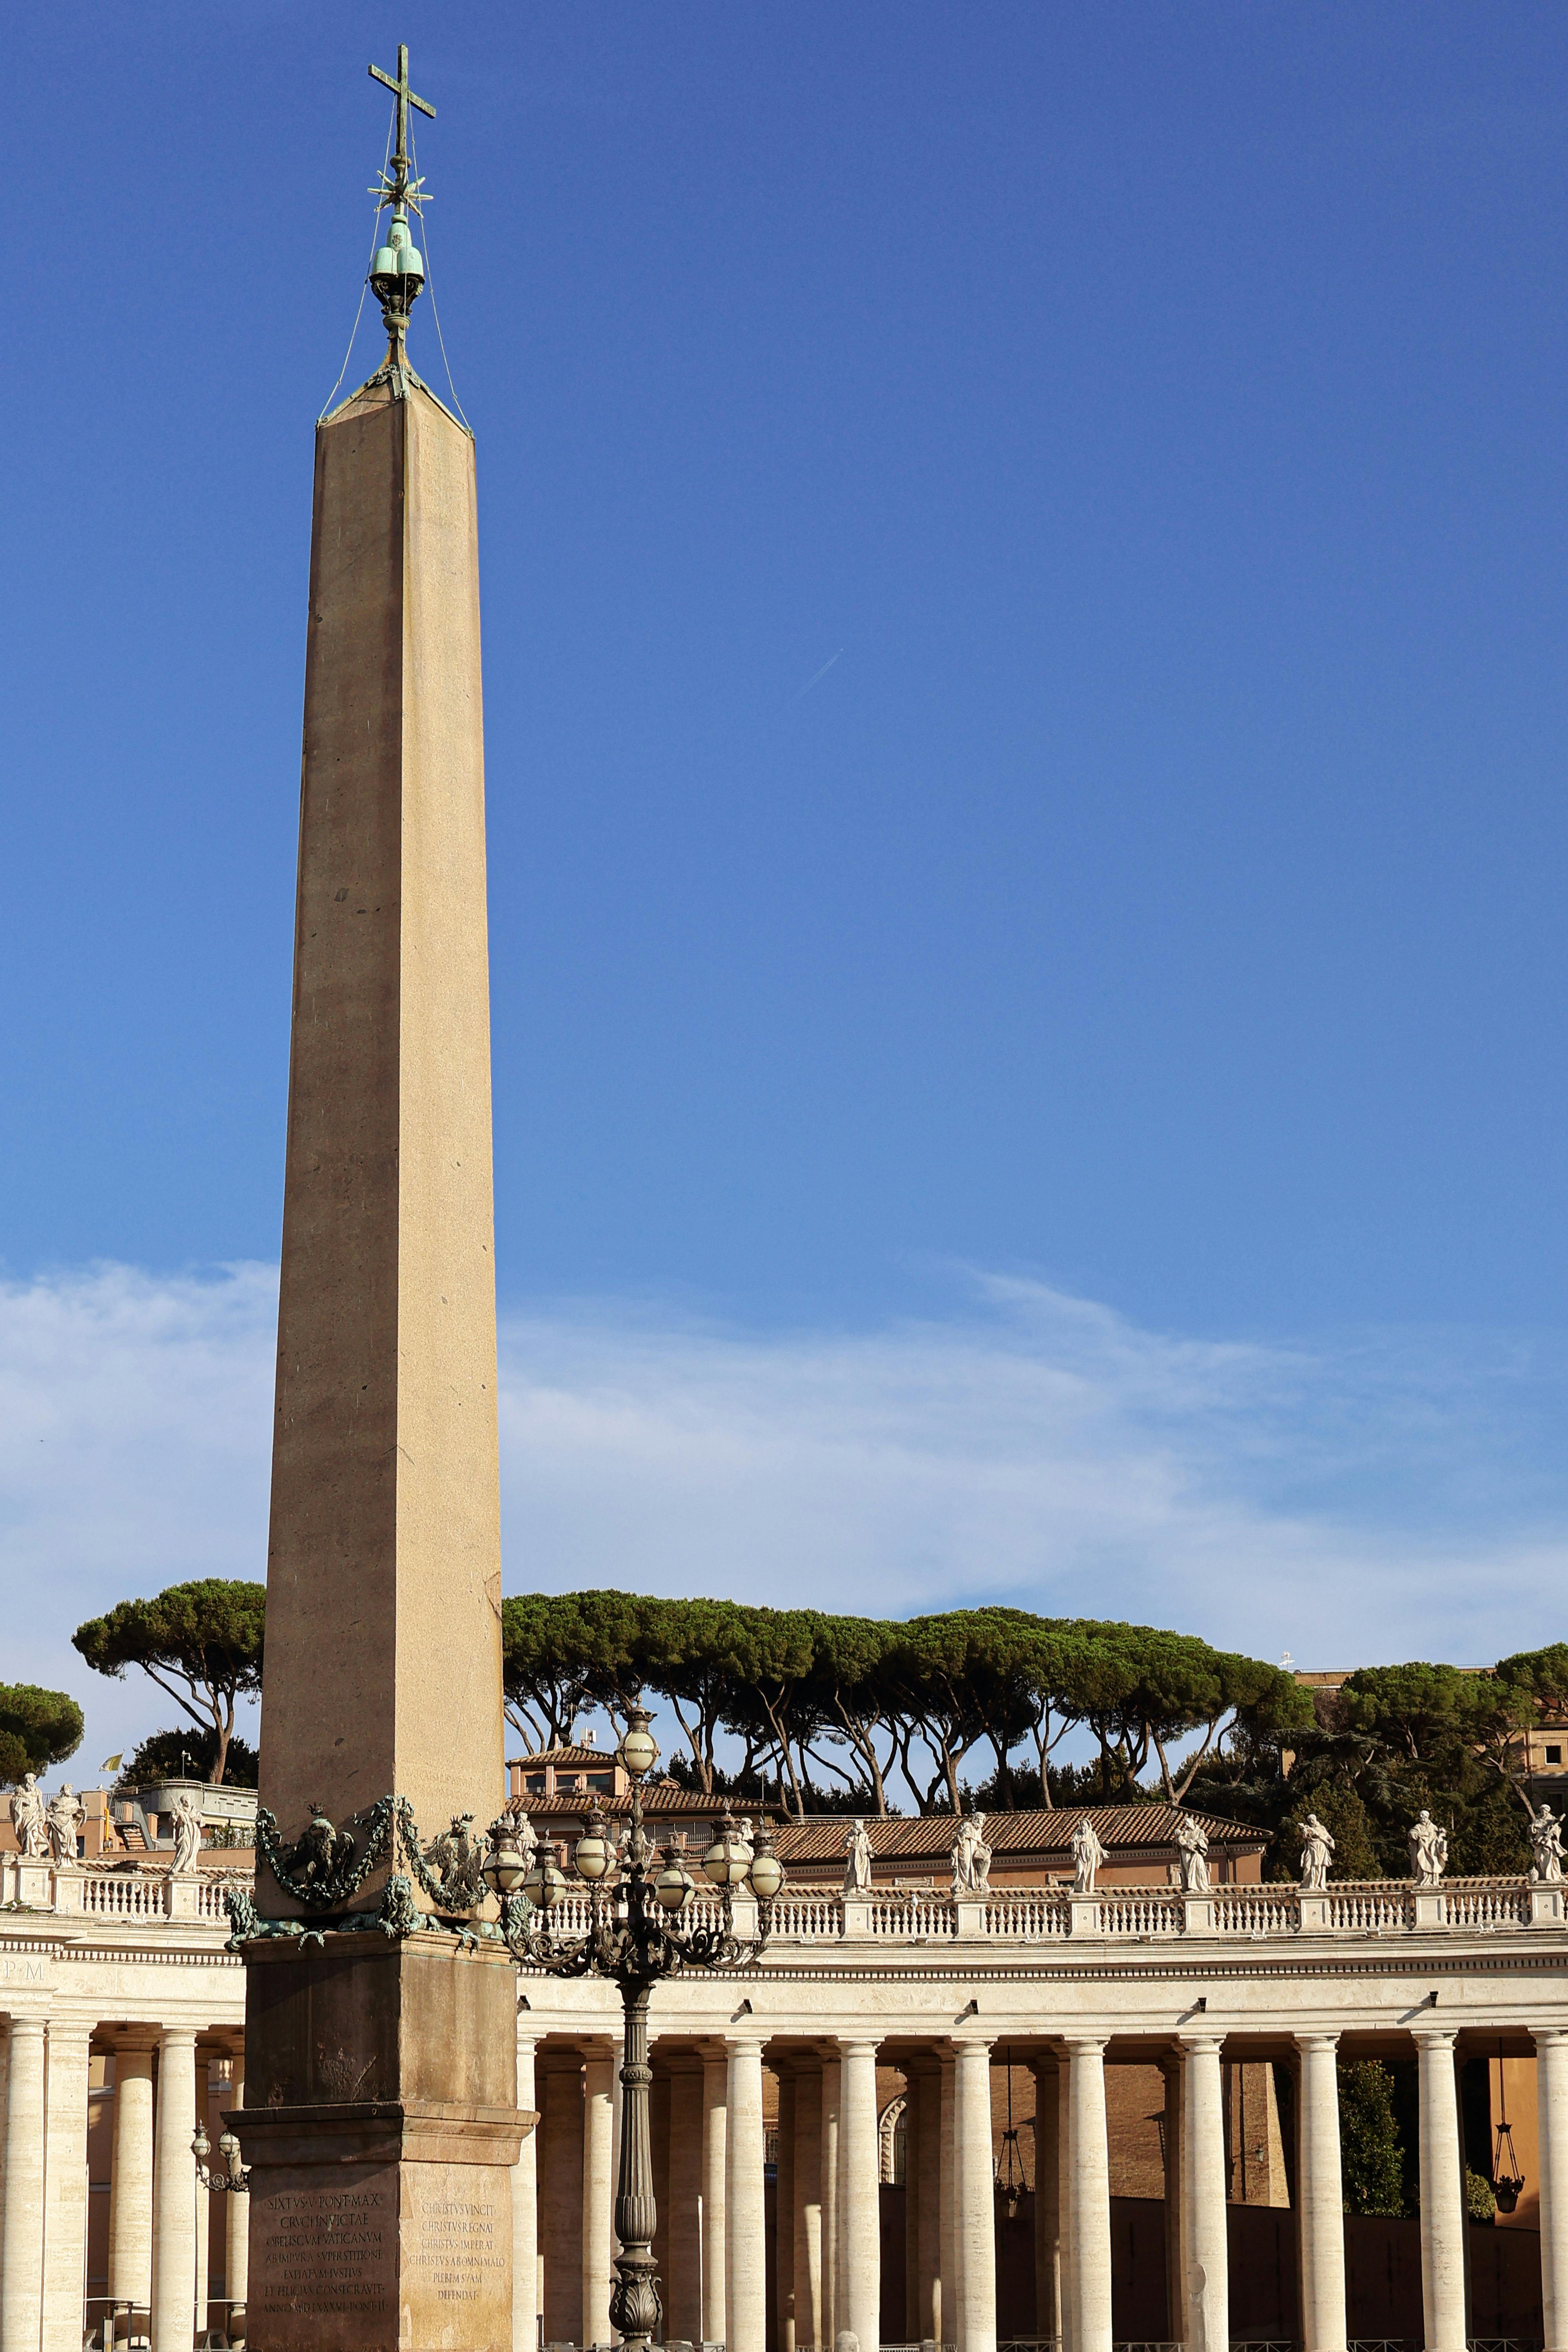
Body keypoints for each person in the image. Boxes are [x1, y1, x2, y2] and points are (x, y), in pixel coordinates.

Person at [45, 1784, 86, 1867]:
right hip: (57, 1822)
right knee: (59, 1842)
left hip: (68, 1822)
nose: (68, 1790)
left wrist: (83, 1812)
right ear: (63, 1790)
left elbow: (78, 1815)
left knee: (73, 1841)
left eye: (70, 1789)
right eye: (67, 1788)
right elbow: (48, 1811)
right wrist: (49, 1817)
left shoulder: (74, 1802)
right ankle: (60, 1860)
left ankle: (72, 1860)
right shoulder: (55, 1801)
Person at [9, 1774, 47, 1861]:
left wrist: (43, 1815)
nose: (28, 1781)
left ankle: (31, 1851)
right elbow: (14, 1801)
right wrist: (22, 1800)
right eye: (27, 1779)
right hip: (25, 1816)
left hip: (34, 1816)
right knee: (26, 1832)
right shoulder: (21, 1790)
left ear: (33, 1780)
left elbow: (41, 1805)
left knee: (31, 1832)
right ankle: (27, 1851)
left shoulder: (38, 1791)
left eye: (30, 1779)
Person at [1407, 1809, 1448, 1887]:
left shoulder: (1434, 1827)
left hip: (1432, 1852)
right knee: (1421, 1867)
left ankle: (1433, 1882)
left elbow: (1438, 1840)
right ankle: (1422, 1881)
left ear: (1427, 1817)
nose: (1422, 1818)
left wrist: (1442, 1834)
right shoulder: (1418, 1827)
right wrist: (1422, 1834)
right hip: (1422, 1850)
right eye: (1421, 1817)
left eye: (1424, 1817)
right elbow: (1411, 1834)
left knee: (1433, 1866)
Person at [1172, 1811, 1210, 1892]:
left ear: (1192, 1823)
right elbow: (1177, 1844)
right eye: (1186, 1824)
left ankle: (1200, 1887)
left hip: (1196, 1854)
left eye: (1188, 1823)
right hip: (1186, 1855)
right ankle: (1191, 1887)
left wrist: (1195, 1843)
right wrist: (1179, 1840)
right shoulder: (1185, 1833)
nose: (1186, 1825)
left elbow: (1204, 1841)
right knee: (1187, 1871)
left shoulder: (1200, 1832)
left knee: (1198, 1869)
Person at [1298, 1812, 1336, 1890]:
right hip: (1312, 1849)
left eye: (1313, 1819)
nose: (1312, 1821)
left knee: (1320, 1866)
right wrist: (1305, 1831)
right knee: (1308, 1866)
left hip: (1321, 1849)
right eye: (1310, 1820)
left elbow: (1328, 1837)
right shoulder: (1307, 1829)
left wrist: (1332, 1840)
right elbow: (1304, 1838)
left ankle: (1318, 1885)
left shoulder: (1322, 1828)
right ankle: (1308, 1885)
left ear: (1316, 1819)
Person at [1529, 1802, 1564, 1885]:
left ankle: (1552, 1876)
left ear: (1547, 1811)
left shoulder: (1552, 1820)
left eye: (1544, 1810)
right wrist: (1533, 1833)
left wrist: (1552, 1834)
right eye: (1542, 1810)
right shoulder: (1537, 1820)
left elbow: (1557, 1829)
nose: (1543, 1812)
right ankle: (1543, 1876)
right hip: (1539, 1842)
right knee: (1540, 1859)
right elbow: (1531, 1831)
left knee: (1551, 1858)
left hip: (1549, 1842)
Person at [1071, 1814, 1106, 1895]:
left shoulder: (1092, 1835)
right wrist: (1074, 1842)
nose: (1083, 1827)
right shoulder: (1078, 1834)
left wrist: (1103, 1851)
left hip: (1090, 1854)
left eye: (1085, 1825)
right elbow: (1073, 1841)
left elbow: (1097, 1846)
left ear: (1088, 1826)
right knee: (1080, 1871)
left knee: (1089, 1872)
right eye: (1082, 1826)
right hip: (1081, 1854)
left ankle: (1086, 1888)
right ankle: (1077, 1886)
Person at [171, 1789, 203, 1874]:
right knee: (184, 1849)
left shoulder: (195, 1811)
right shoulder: (178, 1809)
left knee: (193, 1851)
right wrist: (176, 1816)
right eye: (185, 1801)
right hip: (184, 1832)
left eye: (188, 1800)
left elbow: (203, 1821)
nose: (187, 1802)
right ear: (183, 1802)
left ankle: (187, 1867)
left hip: (194, 1833)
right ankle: (177, 1867)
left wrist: (196, 1819)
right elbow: (172, 1820)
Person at [843, 1817, 874, 1896]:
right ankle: (852, 1886)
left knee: (861, 1871)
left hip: (862, 1855)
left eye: (856, 1826)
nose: (855, 1827)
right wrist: (849, 1840)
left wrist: (870, 1851)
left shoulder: (864, 1836)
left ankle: (860, 1887)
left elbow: (868, 1844)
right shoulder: (851, 1835)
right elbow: (845, 1844)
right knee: (852, 1870)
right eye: (854, 1826)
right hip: (854, 1854)